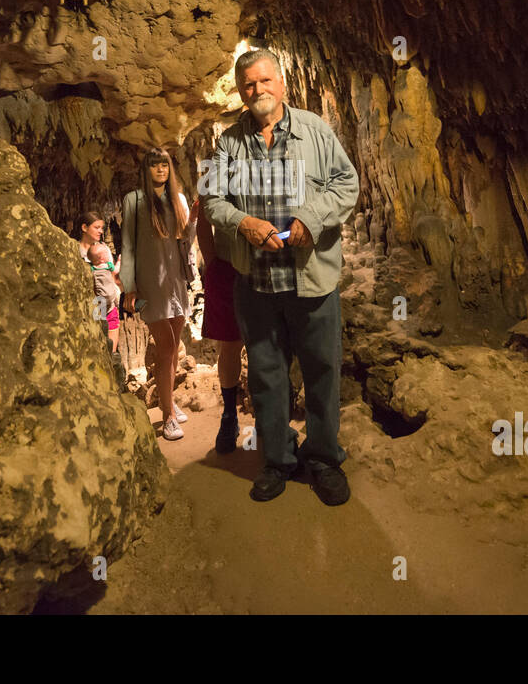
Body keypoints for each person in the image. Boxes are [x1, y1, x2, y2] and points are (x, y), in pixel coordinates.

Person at [202, 48, 359, 504]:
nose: (258, 90)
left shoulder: (314, 131)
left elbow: (345, 184)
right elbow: (213, 200)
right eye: (248, 84)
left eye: (264, 81)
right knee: (268, 377)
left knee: (322, 373)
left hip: (312, 279)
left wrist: (312, 216)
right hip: (257, 283)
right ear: (241, 91)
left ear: (281, 83)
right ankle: (278, 461)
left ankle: (324, 460)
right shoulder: (228, 143)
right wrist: (242, 224)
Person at [120, 147, 198, 441]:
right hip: (150, 283)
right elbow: (127, 245)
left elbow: (185, 240)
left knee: (174, 347)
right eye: (154, 165)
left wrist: (193, 219)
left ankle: (170, 402)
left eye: (164, 165)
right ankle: (167, 418)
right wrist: (130, 286)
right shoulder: (134, 201)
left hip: (176, 280)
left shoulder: (177, 199)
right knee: (165, 348)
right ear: (146, 169)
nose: (160, 170)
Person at [191, 194, 244, 454]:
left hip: (262, 265)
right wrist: (211, 262)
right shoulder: (216, 169)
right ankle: (230, 415)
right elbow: (203, 219)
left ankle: (269, 416)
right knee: (230, 345)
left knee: (264, 347)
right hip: (226, 265)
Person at [88, 242, 122, 351]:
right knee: (112, 325)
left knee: (99, 325)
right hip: (110, 305)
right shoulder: (108, 266)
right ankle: (112, 353)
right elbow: (116, 270)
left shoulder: (91, 269)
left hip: (98, 304)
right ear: (103, 258)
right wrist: (120, 261)